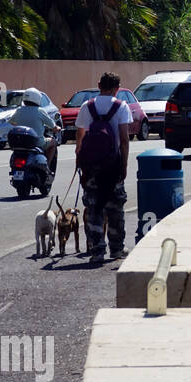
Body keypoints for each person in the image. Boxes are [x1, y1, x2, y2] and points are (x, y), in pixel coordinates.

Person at [74, 71, 132, 263]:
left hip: (91, 167)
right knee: (115, 209)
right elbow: (124, 140)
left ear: (99, 85)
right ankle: (117, 249)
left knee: (94, 209)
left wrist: (79, 162)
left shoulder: (86, 106)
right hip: (112, 165)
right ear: (117, 88)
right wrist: (124, 165)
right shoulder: (122, 106)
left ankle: (97, 251)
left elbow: (80, 138)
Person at [9, 88, 59, 174]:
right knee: (53, 142)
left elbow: (12, 122)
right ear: (37, 99)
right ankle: (47, 165)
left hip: (20, 142)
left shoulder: (19, 110)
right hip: (37, 143)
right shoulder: (40, 111)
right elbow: (53, 126)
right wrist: (57, 128)